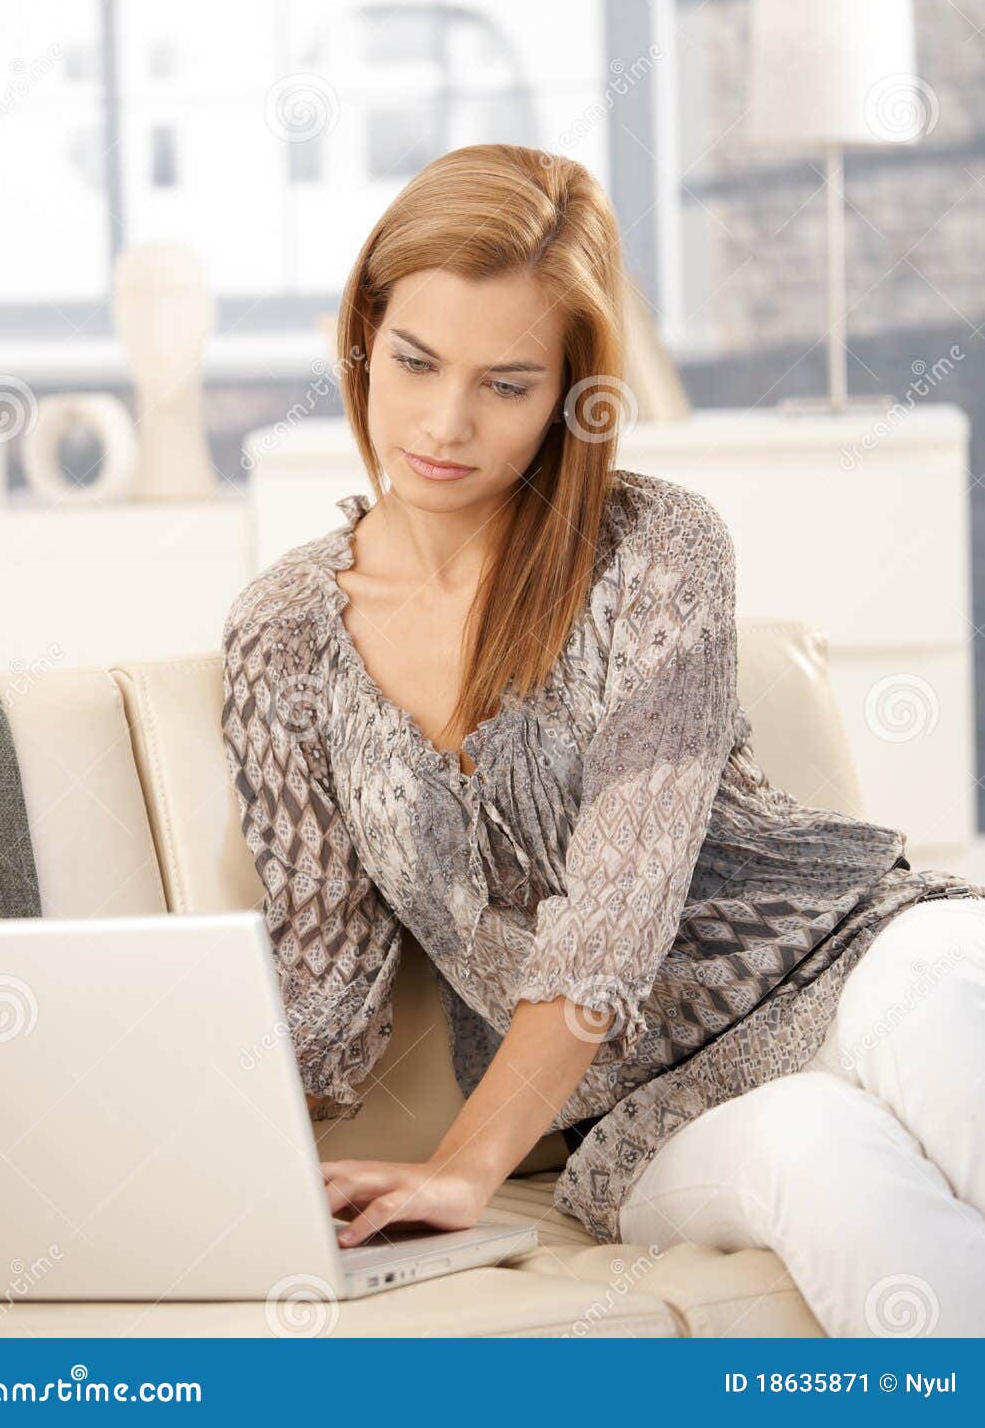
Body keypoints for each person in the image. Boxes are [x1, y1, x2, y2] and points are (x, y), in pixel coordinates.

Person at [221, 143, 985, 1337]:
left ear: (573, 392)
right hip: (654, 1109)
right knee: (829, 1173)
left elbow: (617, 906)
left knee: (958, 1022)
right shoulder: (283, 635)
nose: (443, 421)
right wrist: (178, 1123)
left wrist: (468, 1163)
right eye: (415, 360)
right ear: (363, 333)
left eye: (506, 384)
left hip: (852, 951)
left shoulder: (657, 548)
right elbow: (325, 982)